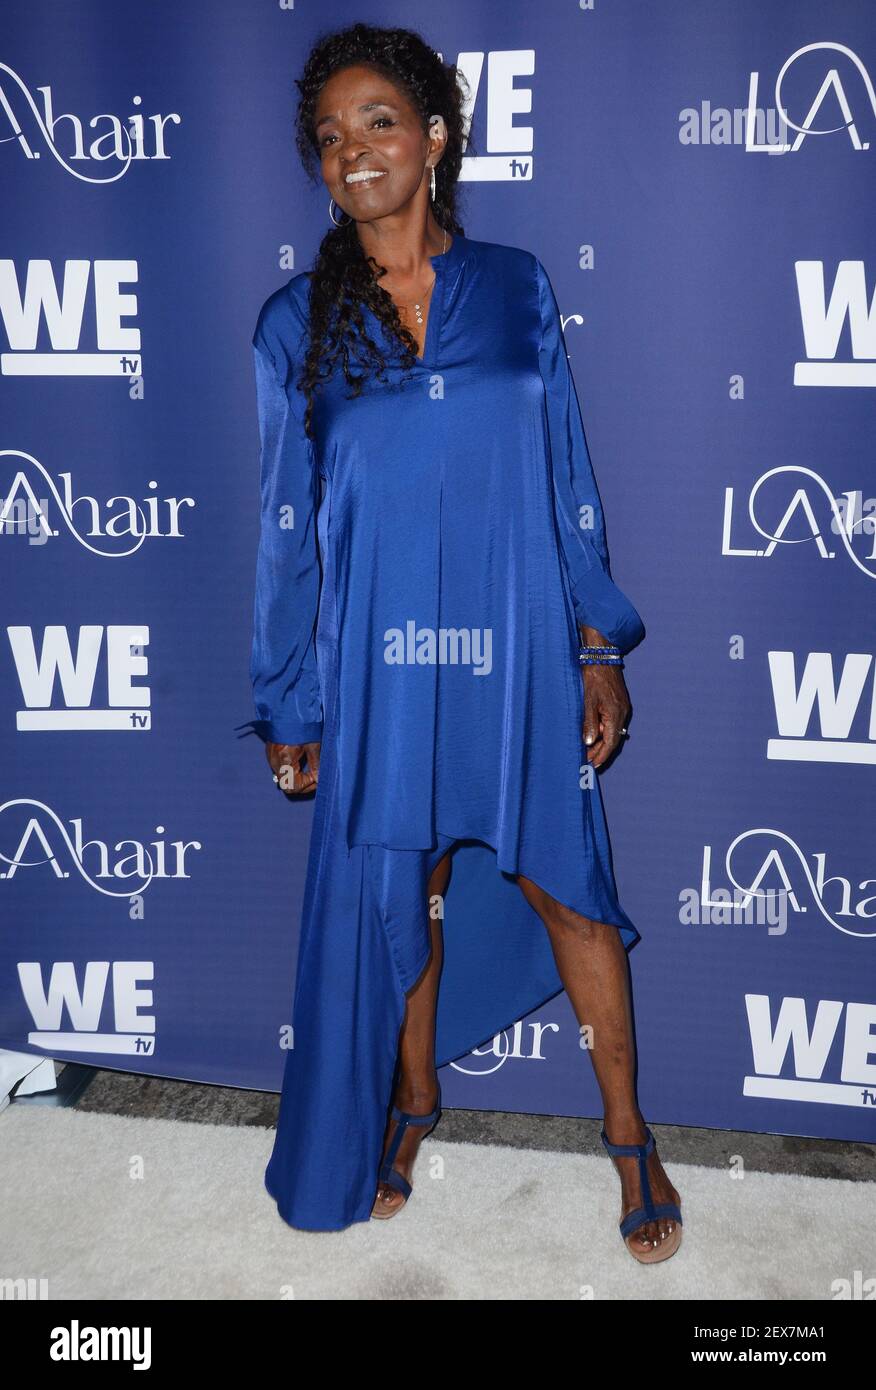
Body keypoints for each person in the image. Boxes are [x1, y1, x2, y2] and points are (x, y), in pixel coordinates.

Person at [237, 22, 682, 1263]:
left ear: (433, 138)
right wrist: (291, 700)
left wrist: (598, 640)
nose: (352, 152)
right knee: (404, 892)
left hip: (519, 645)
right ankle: (414, 1101)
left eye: (378, 121)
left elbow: (566, 473)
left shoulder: (519, 283)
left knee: (572, 893)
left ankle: (630, 1134)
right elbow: (285, 530)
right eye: (329, 137)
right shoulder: (293, 324)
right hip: (380, 663)